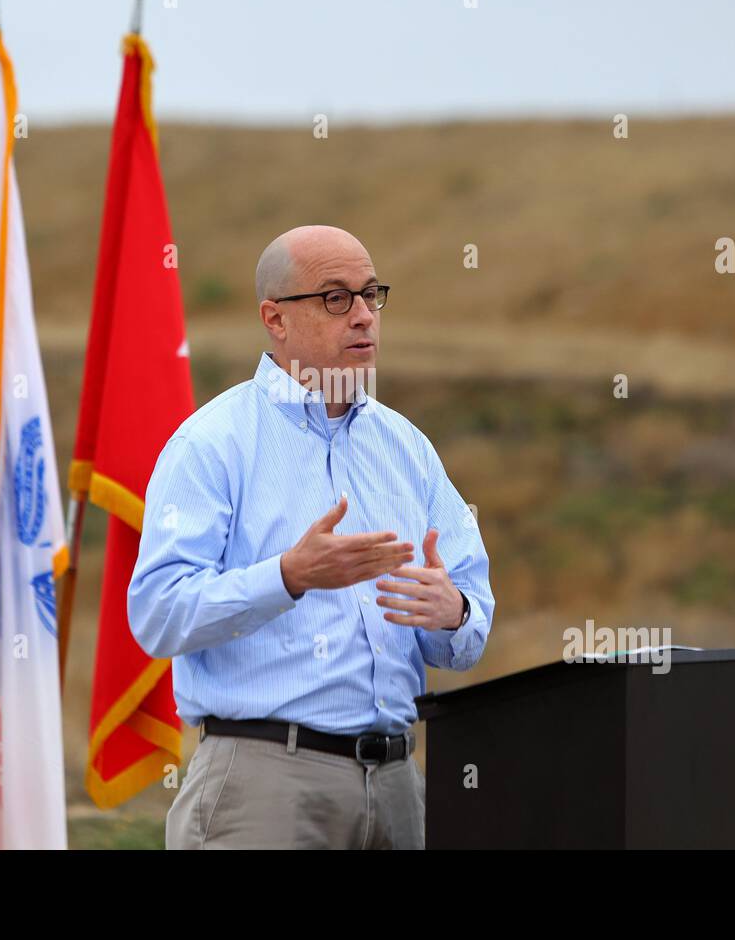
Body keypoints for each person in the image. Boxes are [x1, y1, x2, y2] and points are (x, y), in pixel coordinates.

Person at [128, 224, 495, 849]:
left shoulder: (407, 447)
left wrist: (453, 611)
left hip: (399, 785)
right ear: (275, 319)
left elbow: (468, 626)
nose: (362, 316)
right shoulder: (212, 444)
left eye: (371, 295)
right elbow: (158, 615)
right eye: (335, 298)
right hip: (265, 785)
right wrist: (287, 576)